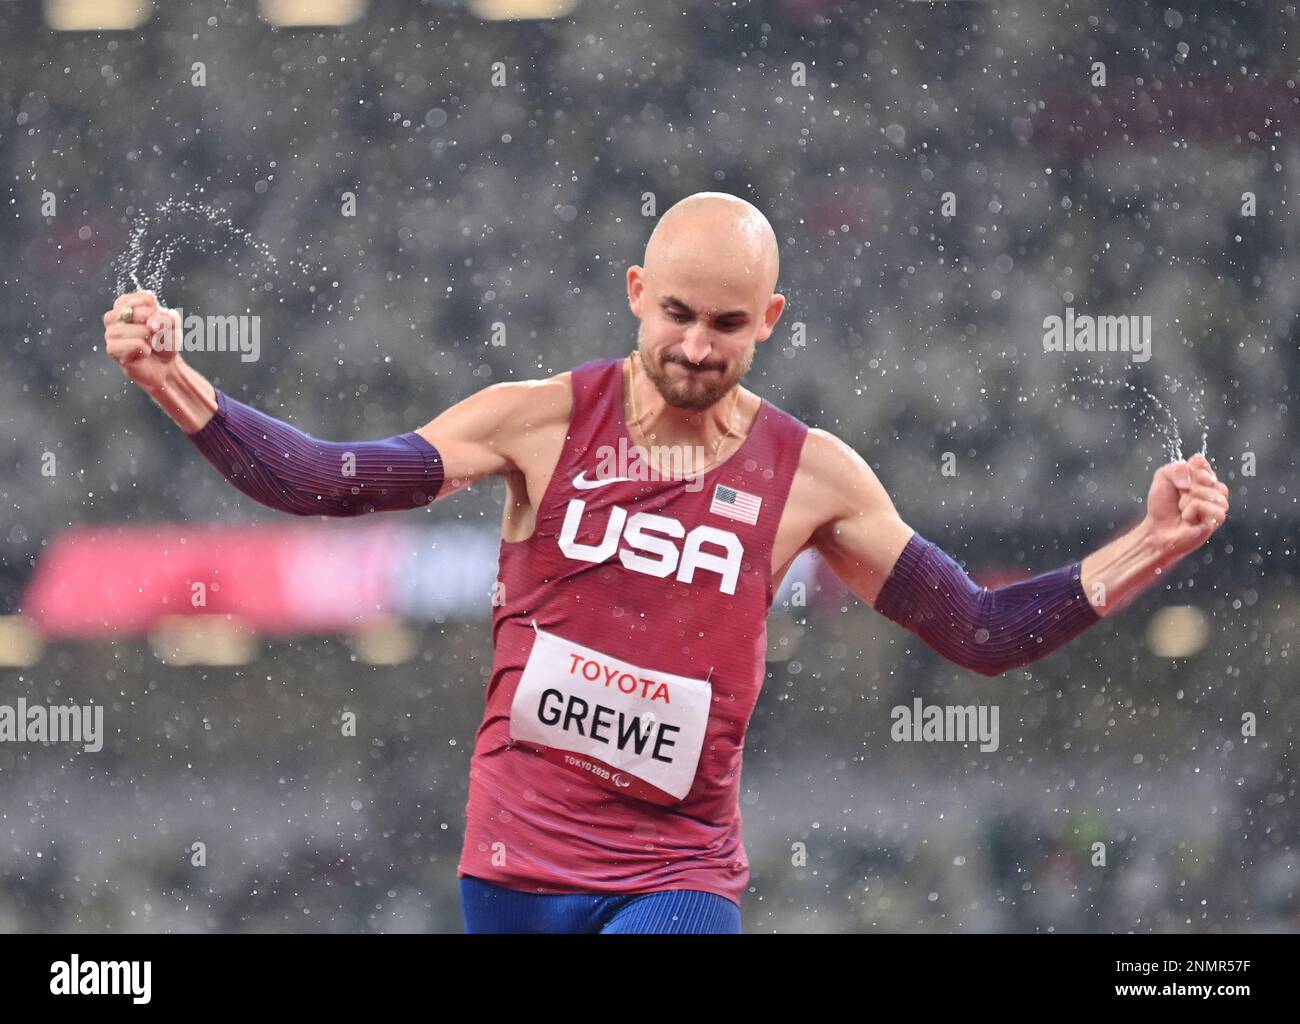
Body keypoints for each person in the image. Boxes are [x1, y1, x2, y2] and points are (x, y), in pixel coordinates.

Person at [103, 192, 1230, 934]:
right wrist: (172, 379)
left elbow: (978, 631)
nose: (696, 345)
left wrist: (1149, 542)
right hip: (510, 866)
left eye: (727, 324)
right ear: (636, 294)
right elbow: (322, 480)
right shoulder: (538, 421)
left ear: (770, 321)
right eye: (677, 313)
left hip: (675, 874)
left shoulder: (813, 477)